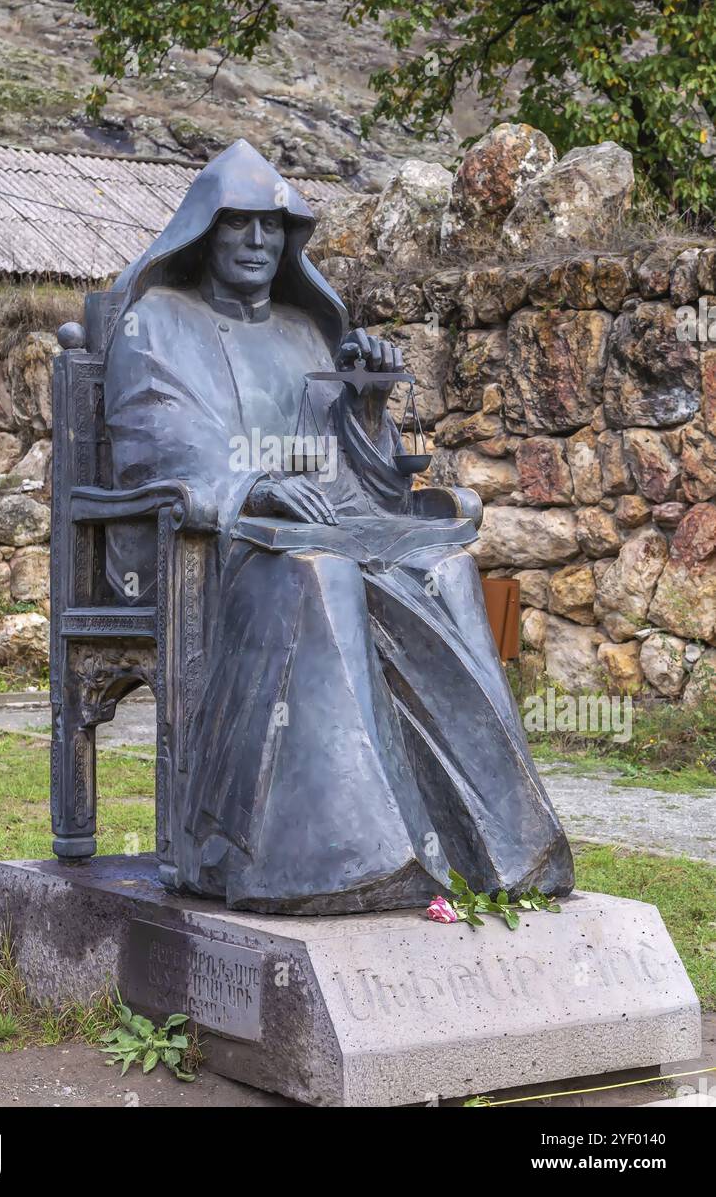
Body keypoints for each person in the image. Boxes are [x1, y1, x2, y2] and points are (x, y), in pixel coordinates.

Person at [104, 140, 574, 913]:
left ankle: (500, 847)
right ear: (206, 231)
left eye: (273, 227)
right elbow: (155, 445)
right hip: (211, 546)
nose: (258, 241)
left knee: (445, 568)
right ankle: (340, 858)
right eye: (239, 224)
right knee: (318, 571)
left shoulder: (305, 331)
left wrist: (366, 400)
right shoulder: (155, 323)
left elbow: (352, 474)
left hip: (322, 531)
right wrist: (255, 488)